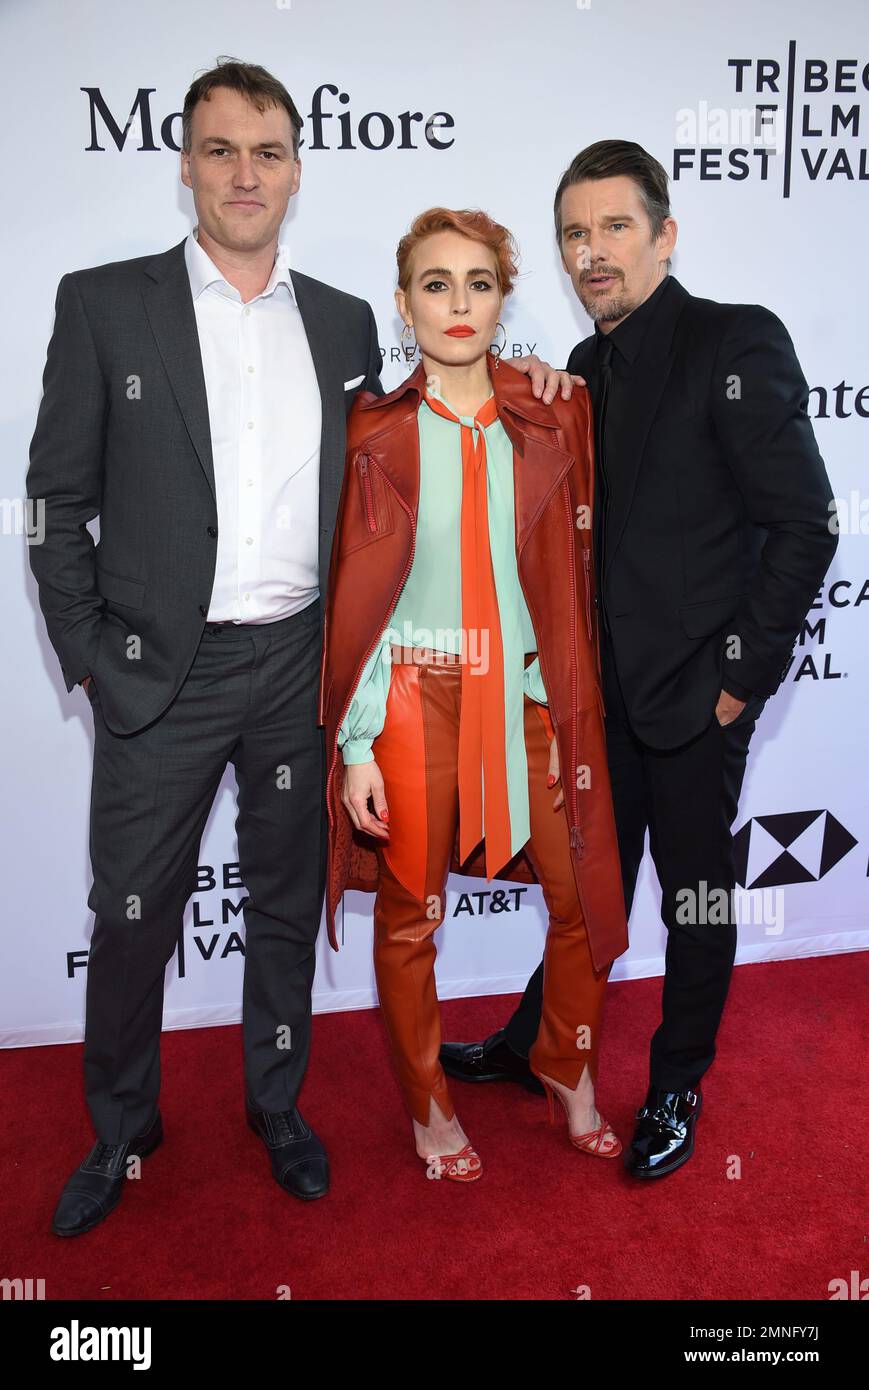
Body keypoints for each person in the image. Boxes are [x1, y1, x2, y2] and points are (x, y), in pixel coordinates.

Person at [26, 58, 572, 1234]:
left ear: (295, 172)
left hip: (297, 671)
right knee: (131, 917)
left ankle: (277, 1105)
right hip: (157, 675)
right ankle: (121, 1131)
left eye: (266, 151)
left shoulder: (337, 320)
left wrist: (531, 383)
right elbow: (53, 503)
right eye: (219, 149)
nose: (243, 172)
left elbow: (421, 436)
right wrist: (88, 652)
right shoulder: (102, 302)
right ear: (182, 165)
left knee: (285, 903)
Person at [440, 141, 838, 1179]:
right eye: (574, 233)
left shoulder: (735, 341)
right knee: (583, 888)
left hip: (698, 695)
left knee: (694, 899)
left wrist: (737, 680)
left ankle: (674, 1083)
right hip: (603, 694)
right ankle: (543, 1044)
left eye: (614, 226)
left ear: (664, 234)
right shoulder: (581, 369)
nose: (591, 251)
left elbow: (803, 524)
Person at [320, 207, 628, 1181]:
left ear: (504, 296)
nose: (457, 304)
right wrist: (358, 741)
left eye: (479, 283)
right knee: (411, 914)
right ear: (403, 302)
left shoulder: (554, 410)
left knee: (583, 898)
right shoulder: (369, 430)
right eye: (435, 284)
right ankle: (426, 1103)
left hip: (532, 697)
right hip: (417, 694)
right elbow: (354, 599)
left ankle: (564, 1064)